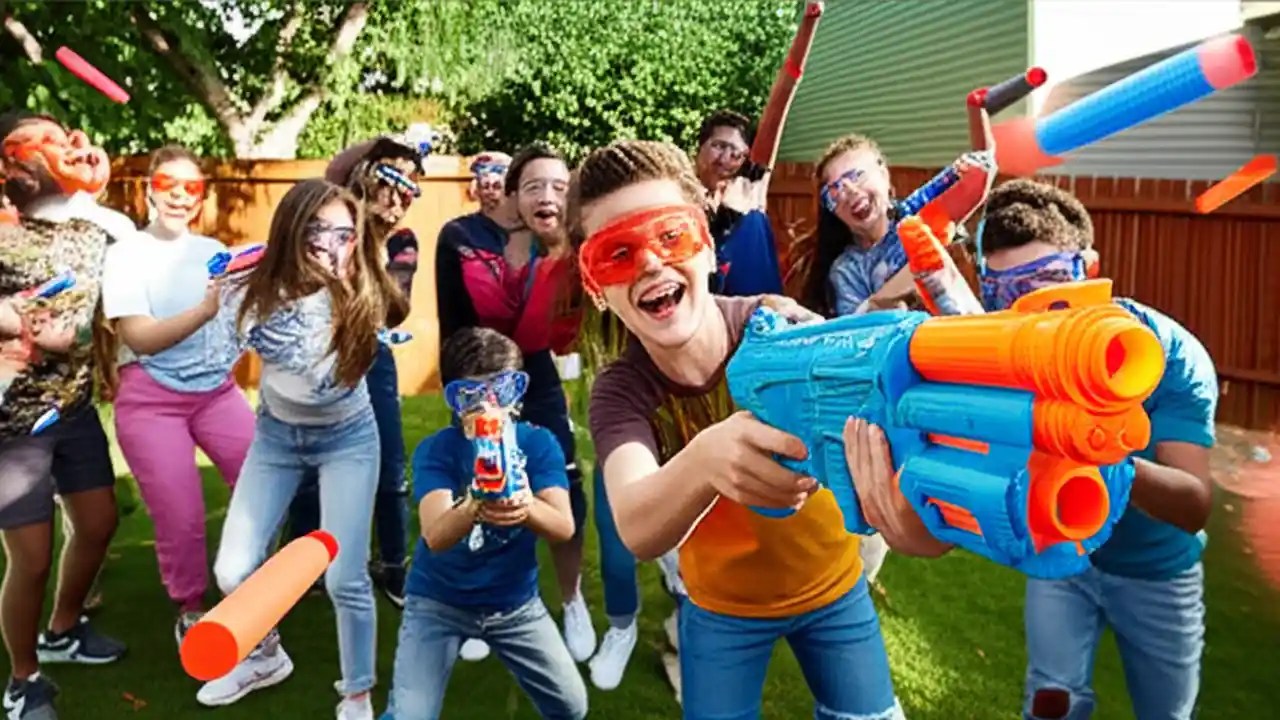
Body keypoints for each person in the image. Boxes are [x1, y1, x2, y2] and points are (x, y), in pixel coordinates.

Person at [572, 139, 948, 720]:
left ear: (705, 245)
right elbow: (636, 523)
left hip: (833, 590)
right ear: (595, 286)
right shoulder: (623, 391)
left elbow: (879, 413)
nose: (650, 262)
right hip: (720, 607)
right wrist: (705, 459)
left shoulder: (778, 327)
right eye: (616, 253)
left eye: (669, 235)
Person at [973, 180, 1216, 720]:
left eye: (1051, 281)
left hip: (1158, 570)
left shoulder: (1170, 357)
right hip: (1065, 559)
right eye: (1011, 293)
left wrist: (1104, 455)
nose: (1038, 312)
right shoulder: (1014, 352)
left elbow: (1193, 504)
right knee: (1051, 702)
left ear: (1090, 267)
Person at [200, 179, 409, 719]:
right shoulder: (252, 288)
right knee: (233, 570)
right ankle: (265, 653)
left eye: (343, 233)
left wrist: (349, 285)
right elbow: (214, 362)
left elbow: (343, 362)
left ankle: (357, 691)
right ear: (292, 230)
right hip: (277, 438)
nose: (328, 244)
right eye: (316, 230)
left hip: (348, 438)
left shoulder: (364, 290)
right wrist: (219, 298)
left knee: (346, 576)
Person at [435, 143, 597, 665]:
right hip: (476, 379)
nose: (547, 196)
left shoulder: (568, 246)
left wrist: (557, 253)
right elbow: (451, 322)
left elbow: (568, 334)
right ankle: (484, 604)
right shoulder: (461, 238)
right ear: (512, 192)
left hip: (537, 376)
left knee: (564, 486)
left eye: (558, 187)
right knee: (479, 489)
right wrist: (462, 396)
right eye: (533, 186)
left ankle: (570, 601)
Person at [382, 326, 587, 720]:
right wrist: (474, 503)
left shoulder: (539, 443)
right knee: (410, 715)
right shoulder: (437, 451)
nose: (489, 407)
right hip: (437, 602)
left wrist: (525, 505)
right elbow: (436, 536)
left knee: (571, 706)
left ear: (518, 394)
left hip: (514, 605)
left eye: (502, 391)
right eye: (473, 396)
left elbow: (562, 526)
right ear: (455, 401)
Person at [0, 111, 128, 720]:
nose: (67, 146)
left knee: (99, 523)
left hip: (72, 410)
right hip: (11, 422)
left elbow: (139, 250)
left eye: (69, 136)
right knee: (32, 558)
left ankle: (64, 629)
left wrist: (93, 190)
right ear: (11, 161)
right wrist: (13, 320)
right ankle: (23, 681)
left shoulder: (93, 226)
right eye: (45, 141)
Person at [100, 144, 254, 644]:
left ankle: (248, 584)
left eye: (192, 187)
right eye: (169, 185)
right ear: (149, 189)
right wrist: (206, 313)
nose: (180, 196)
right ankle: (190, 607)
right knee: (182, 515)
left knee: (263, 483)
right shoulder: (126, 255)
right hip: (151, 398)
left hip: (216, 392)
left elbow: (246, 321)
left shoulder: (216, 253)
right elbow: (138, 336)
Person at [287, 135, 424, 608]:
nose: (398, 192)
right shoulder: (332, 229)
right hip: (320, 354)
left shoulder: (402, 240)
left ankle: (393, 566)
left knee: (389, 465)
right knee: (311, 465)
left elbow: (395, 308)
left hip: (373, 354)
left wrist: (381, 239)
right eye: (390, 176)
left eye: (408, 182)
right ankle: (300, 563)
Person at [799, 134, 989, 319]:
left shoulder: (921, 219)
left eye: (857, 175)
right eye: (835, 191)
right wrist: (903, 283)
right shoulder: (847, 271)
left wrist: (976, 111)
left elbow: (983, 171)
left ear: (884, 175)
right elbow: (857, 334)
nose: (850, 191)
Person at [692, 110, 782, 297]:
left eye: (735, 153)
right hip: (699, 288)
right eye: (718, 146)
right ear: (699, 147)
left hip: (741, 291)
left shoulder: (743, 196)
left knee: (754, 219)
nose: (725, 159)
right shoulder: (680, 193)